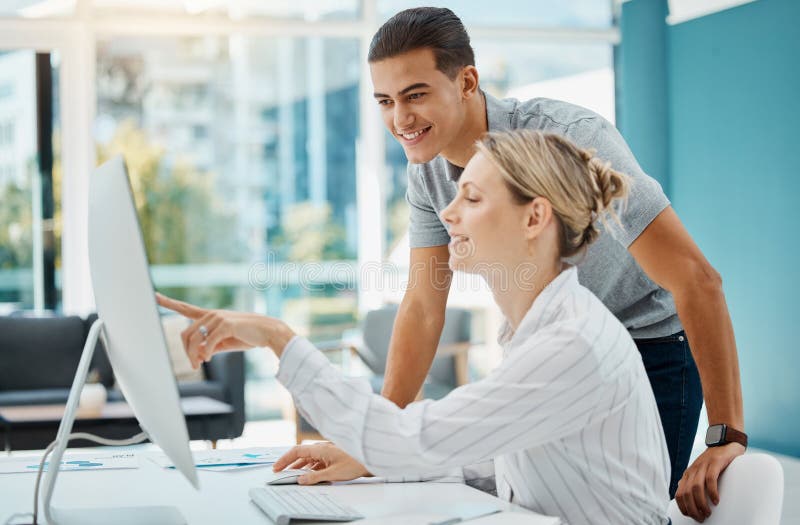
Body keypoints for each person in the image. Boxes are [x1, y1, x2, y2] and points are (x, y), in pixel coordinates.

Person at [159, 129, 671, 525]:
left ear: (534, 218)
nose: (448, 212)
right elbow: (498, 458)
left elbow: (406, 437)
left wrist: (277, 336)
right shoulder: (539, 329)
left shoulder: (571, 343)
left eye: (471, 198)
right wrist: (366, 459)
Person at [354, 8, 742, 522]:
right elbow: (424, 304)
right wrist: (381, 441)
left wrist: (725, 435)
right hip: (548, 352)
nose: (400, 119)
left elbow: (696, 278)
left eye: (416, 95)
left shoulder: (565, 138)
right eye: (385, 101)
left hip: (647, 350)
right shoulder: (426, 174)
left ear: (466, 81)